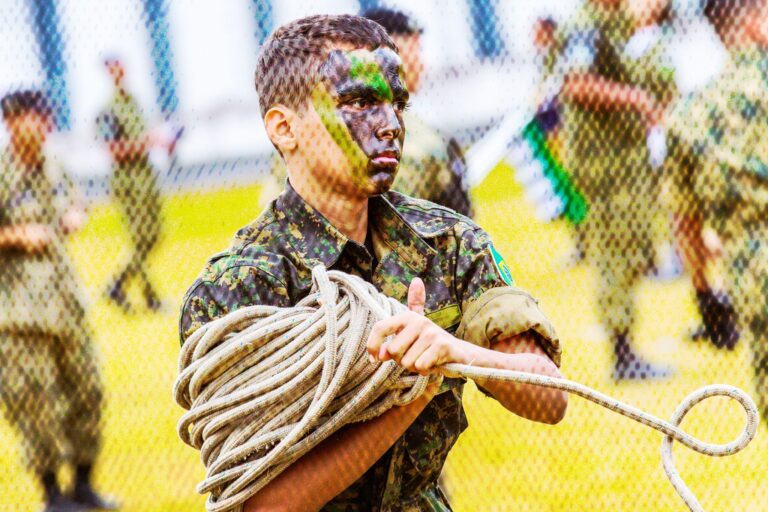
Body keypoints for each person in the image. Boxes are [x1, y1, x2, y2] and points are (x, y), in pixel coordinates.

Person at [180, 15, 567, 510]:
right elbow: (263, 506)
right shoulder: (240, 289)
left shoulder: (446, 242)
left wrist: (454, 351)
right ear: (284, 128)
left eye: (397, 103)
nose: (390, 124)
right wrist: (411, 393)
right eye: (360, 102)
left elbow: (550, 399)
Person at [0, 90, 115, 511]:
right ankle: (52, 494)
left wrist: (76, 215)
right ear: (12, 123)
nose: (41, 126)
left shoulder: (54, 164)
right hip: (18, 315)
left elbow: (76, 199)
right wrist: (15, 236)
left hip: (66, 305)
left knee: (89, 392)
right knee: (34, 403)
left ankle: (83, 484)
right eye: (31, 118)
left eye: (44, 117)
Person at [556, 0, 677, 380]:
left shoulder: (620, 22)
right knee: (615, 253)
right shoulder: (585, 24)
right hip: (603, 166)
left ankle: (628, 348)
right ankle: (623, 356)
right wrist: (636, 99)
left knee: (632, 249)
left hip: (627, 161)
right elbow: (576, 84)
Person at [261, 8, 474, 218]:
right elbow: (461, 215)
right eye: (414, 51)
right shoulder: (431, 143)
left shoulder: (300, 134)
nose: (421, 64)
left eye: (400, 107)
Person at [665, 0, 768, 424]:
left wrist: (706, 294)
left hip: (753, 278)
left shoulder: (688, 115)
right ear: (750, 21)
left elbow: (684, 223)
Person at [96, 57, 164, 312]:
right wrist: (148, 143)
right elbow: (113, 151)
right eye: (113, 69)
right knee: (140, 240)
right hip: (127, 182)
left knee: (154, 237)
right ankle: (149, 296)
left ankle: (118, 285)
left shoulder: (134, 102)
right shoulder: (108, 110)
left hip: (145, 178)